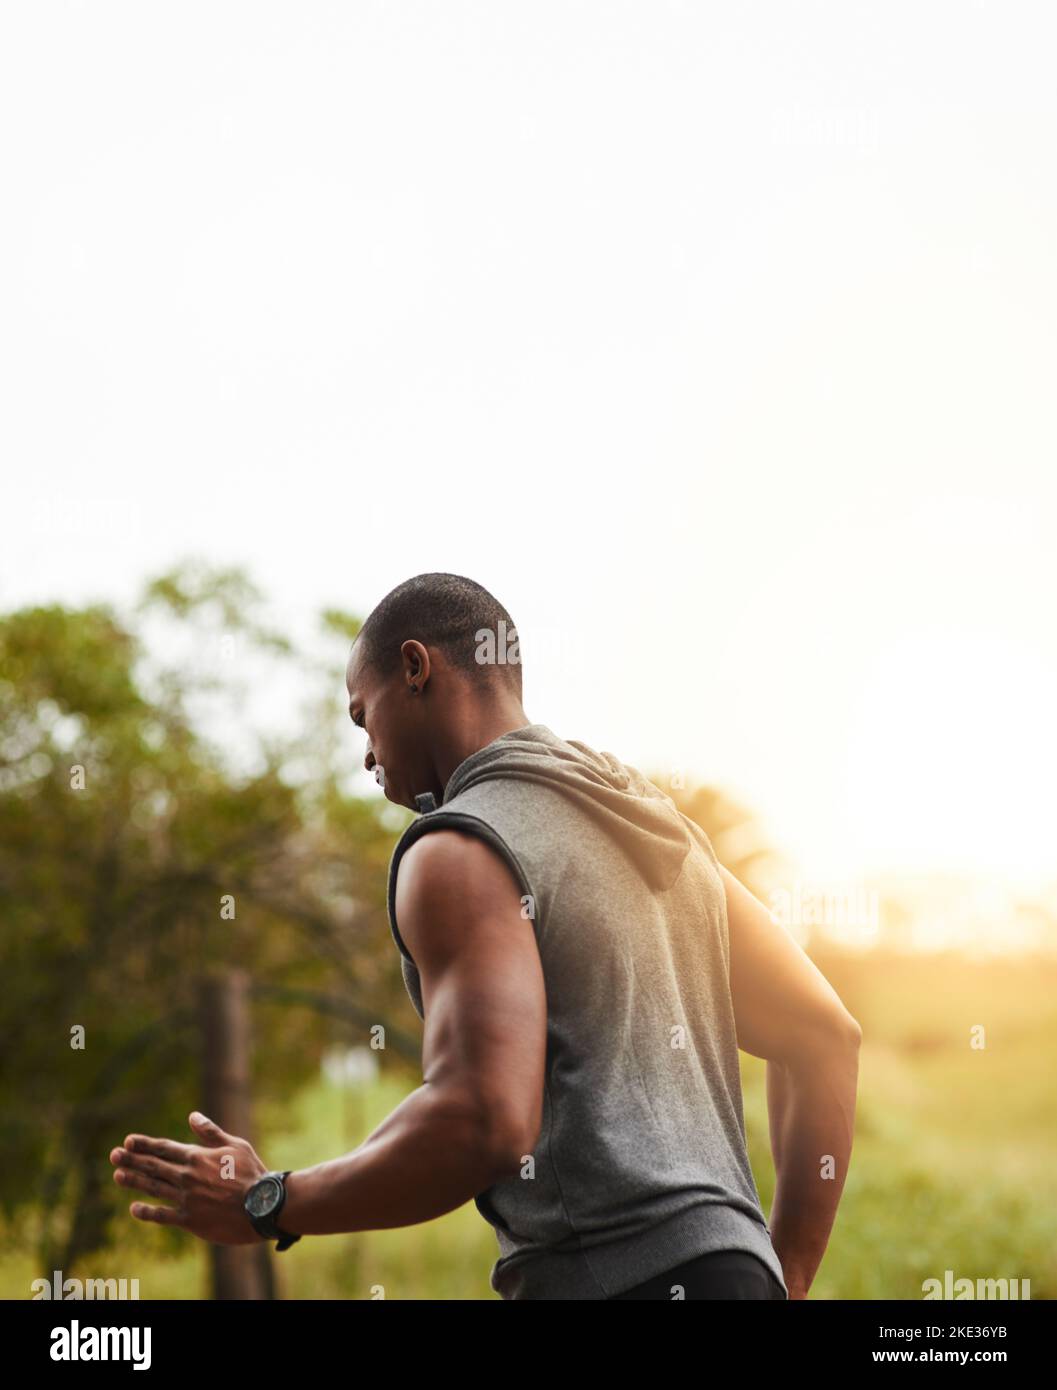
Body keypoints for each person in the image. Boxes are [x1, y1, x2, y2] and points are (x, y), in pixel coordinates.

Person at [110, 572, 861, 1301]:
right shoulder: (657, 829)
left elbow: (483, 1122)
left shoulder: (458, 848)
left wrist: (268, 1203)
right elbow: (825, 1037)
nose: (367, 754)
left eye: (360, 716)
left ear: (414, 668)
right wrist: (783, 1275)